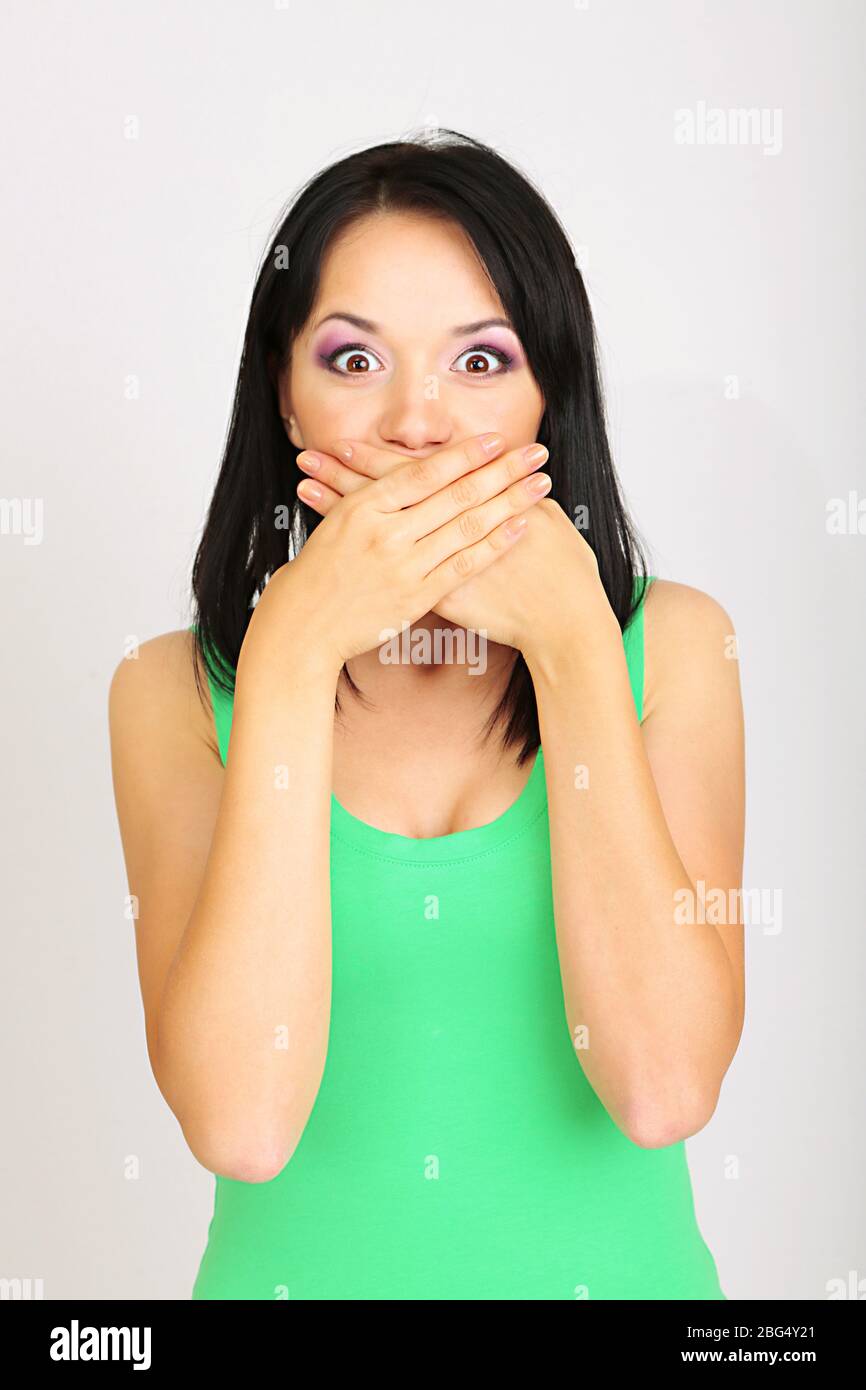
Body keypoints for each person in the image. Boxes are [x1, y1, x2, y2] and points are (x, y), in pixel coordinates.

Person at [108, 130, 745, 1300]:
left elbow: (661, 1093)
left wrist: (570, 648)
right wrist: (293, 654)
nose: (419, 423)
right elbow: (243, 1124)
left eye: (481, 361)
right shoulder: (168, 691)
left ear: (554, 392)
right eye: (354, 361)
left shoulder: (676, 649)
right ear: (283, 400)